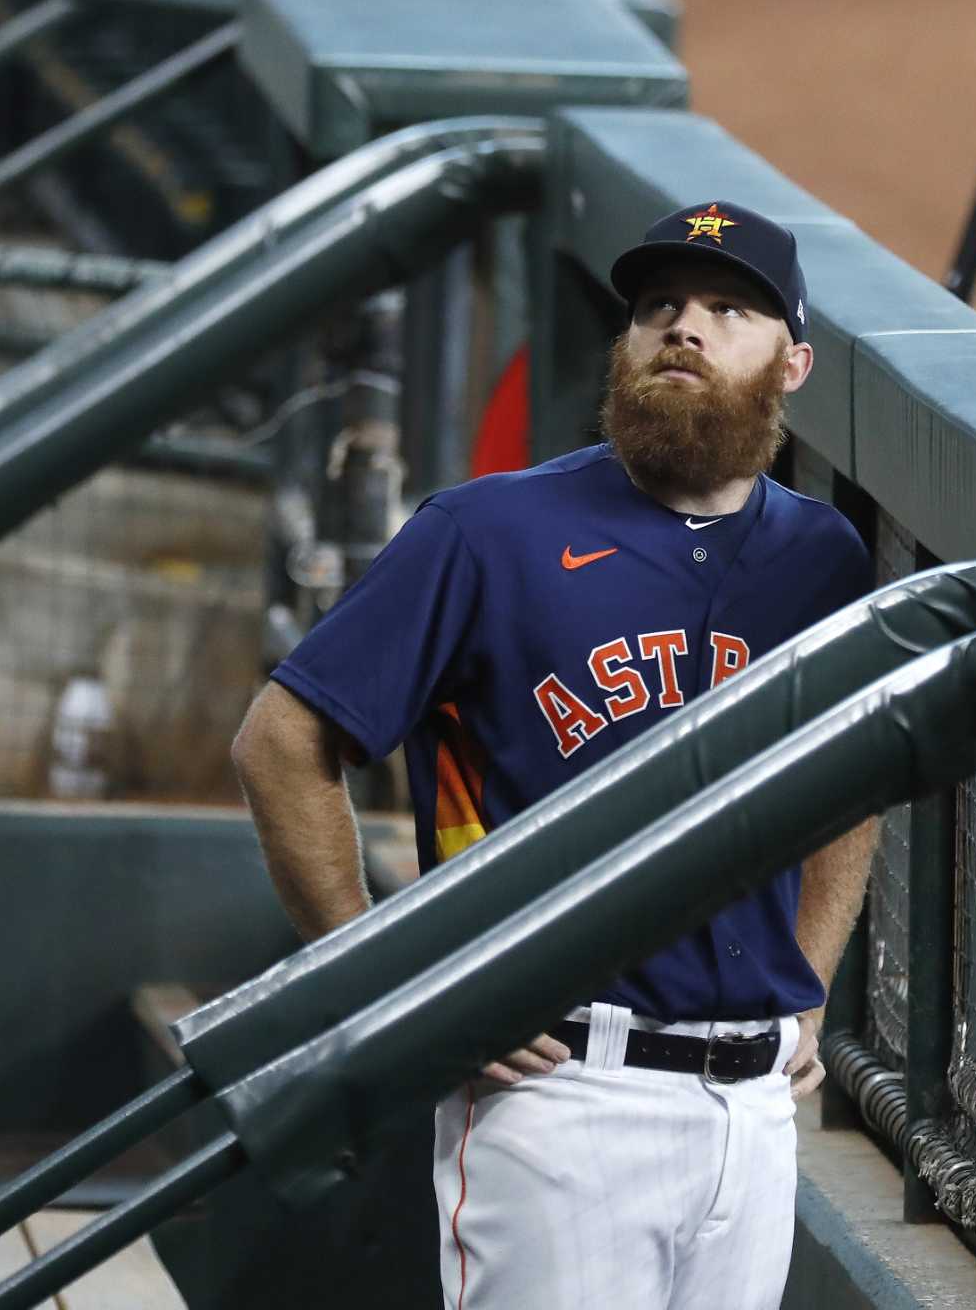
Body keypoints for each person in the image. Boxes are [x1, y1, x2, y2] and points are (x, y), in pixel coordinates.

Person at [230, 200, 878, 1309]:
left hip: (754, 1115)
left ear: (792, 364)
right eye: (657, 308)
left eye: (727, 311)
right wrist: (392, 981)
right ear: (621, 348)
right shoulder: (486, 532)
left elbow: (850, 774)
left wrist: (808, 981)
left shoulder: (820, 559)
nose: (683, 328)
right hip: (561, 1095)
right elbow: (281, 741)